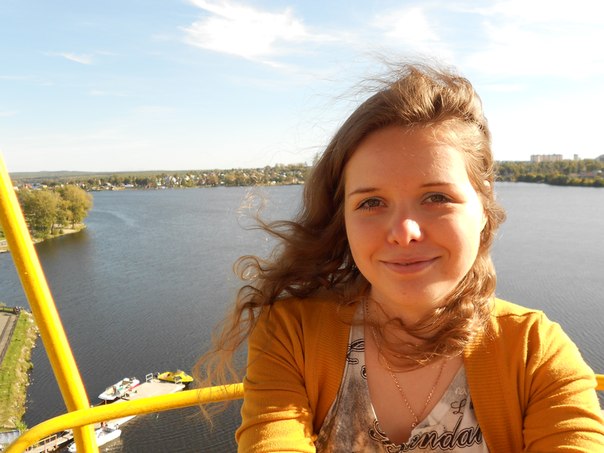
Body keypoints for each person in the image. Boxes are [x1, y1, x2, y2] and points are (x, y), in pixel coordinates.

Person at [195, 63, 604, 452]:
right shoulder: (292, 335)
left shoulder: (535, 351)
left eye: (436, 197)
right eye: (371, 202)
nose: (404, 232)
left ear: (483, 208)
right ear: (344, 218)